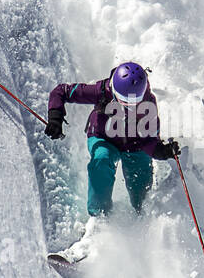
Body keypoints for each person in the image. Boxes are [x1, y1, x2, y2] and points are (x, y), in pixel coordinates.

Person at [45, 62, 180, 256]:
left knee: (141, 187)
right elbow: (62, 92)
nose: (127, 105)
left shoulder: (148, 104)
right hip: (103, 138)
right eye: (123, 100)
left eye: (133, 102)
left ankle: (142, 222)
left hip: (135, 145)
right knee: (102, 159)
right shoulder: (102, 90)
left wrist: (162, 151)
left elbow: (150, 140)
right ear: (114, 89)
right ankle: (99, 219)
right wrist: (55, 116)